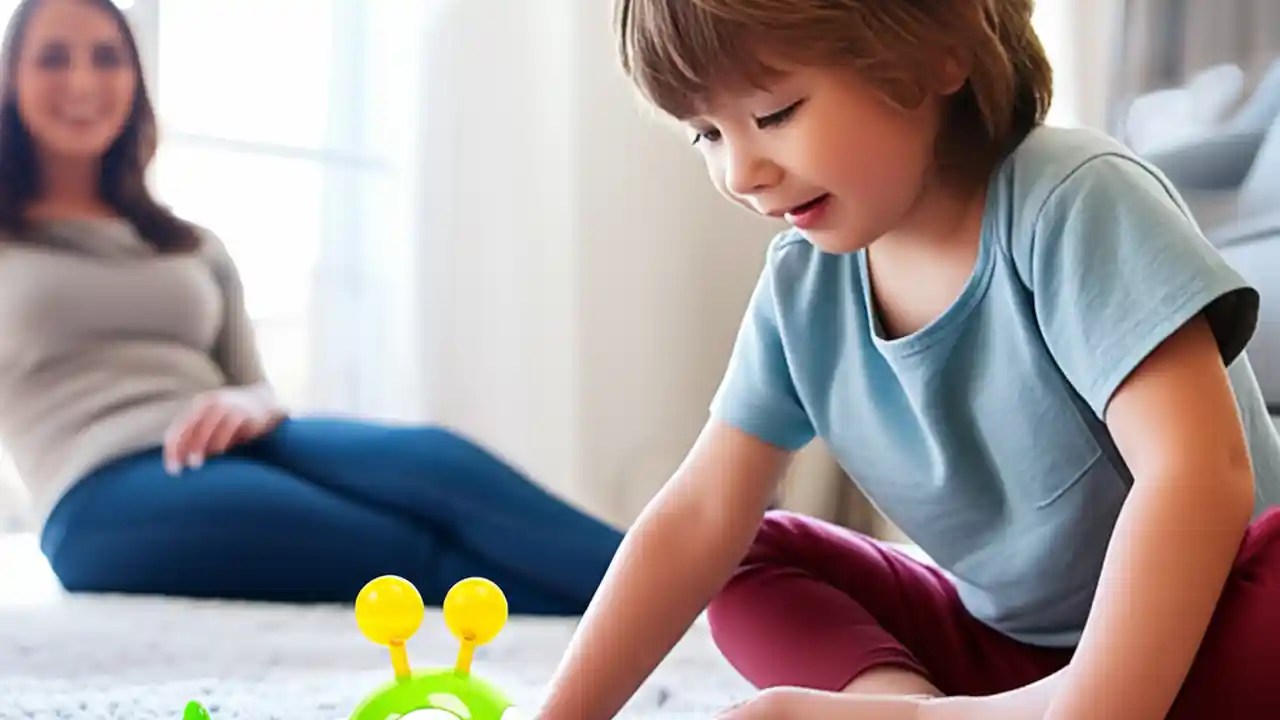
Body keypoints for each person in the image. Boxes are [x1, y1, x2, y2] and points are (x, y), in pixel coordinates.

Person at [535, 1, 1280, 718]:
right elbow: (700, 516)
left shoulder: (1075, 198)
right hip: (1011, 654)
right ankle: (907, 709)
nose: (740, 172)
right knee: (746, 556)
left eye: (775, 114)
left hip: (1212, 619)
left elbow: (1198, 474)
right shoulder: (802, 287)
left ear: (939, 53)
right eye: (706, 134)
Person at [0, 0, 622, 614]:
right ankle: (641, 623)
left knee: (441, 465)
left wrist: (248, 403)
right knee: (392, 547)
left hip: (245, 444)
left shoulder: (190, 244)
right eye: (53, 58)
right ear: (10, 80)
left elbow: (254, 386)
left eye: (106, 57)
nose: (82, 81)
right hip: (99, 491)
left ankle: (672, 583)